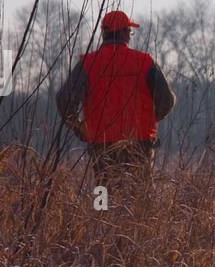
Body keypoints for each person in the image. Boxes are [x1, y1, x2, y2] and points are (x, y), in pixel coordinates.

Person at [56, 10, 175, 188]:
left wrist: (80, 128)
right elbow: (167, 100)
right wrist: (153, 117)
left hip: (101, 146)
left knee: (103, 192)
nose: (129, 35)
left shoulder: (88, 63)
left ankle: (100, 213)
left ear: (104, 33)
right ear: (121, 33)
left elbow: (64, 99)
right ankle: (136, 216)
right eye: (128, 31)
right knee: (139, 197)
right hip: (139, 144)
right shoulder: (144, 61)